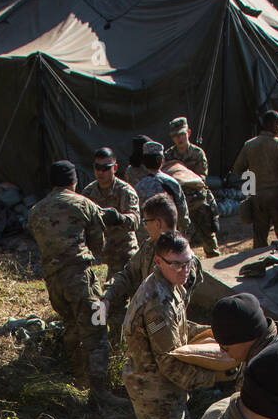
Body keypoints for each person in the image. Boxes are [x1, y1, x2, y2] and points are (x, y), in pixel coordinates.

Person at [121, 230, 216, 419]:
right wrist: (217, 376)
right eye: (175, 264)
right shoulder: (157, 303)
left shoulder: (172, 284)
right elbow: (171, 365)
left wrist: (210, 333)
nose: (184, 270)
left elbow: (180, 330)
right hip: (155, 388)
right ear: (158, 262)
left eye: (187, 262)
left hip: (154, 381)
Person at [26, 159, 121, 413]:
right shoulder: (84, 204)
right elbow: (98, 246)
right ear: (74, 181)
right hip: (78, 277)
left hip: (52, 280)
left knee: (70, 326)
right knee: (97, 330)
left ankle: (78, 380)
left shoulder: (36, 210)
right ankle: (100, 393)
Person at [104, 193, 203, 340]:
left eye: (146, 221)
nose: (144, 226)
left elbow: (173, 307)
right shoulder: (150, 246)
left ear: (158, 223)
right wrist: (107, 297)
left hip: (165, 328)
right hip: (148, 323)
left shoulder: (185, 262)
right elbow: (128, 274)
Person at [232, 110, 278, 248]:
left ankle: (258, 266)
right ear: (275, 125)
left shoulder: (249, 145)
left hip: (258, 197)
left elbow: (237, 169)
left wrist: (251, 182)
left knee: (260, 238)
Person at [165, 116, 220, 257]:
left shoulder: (197, 153)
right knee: (179, 242)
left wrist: (183, 179)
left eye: (182, 134)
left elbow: (201, 178)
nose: (179, 138)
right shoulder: (168, 155)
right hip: (178, 204)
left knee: (208, 236)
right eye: (175, 136)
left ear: (188, 132)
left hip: (197, 201)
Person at [82, 147, 141, 278]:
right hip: (101, 256)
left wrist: (119, 218)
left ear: (115, 168)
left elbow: (135, 221)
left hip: (125, 254)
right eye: (97, 167)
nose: (100, 172)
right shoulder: (88, 193)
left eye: (105, 168)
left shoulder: (125, 191)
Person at [135, 141, 189, 231]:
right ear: (162, 160)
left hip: (147, 236)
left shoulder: (138, 187)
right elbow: (183, 212)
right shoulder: (172, 183)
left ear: (144, 162)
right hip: (170, 236)